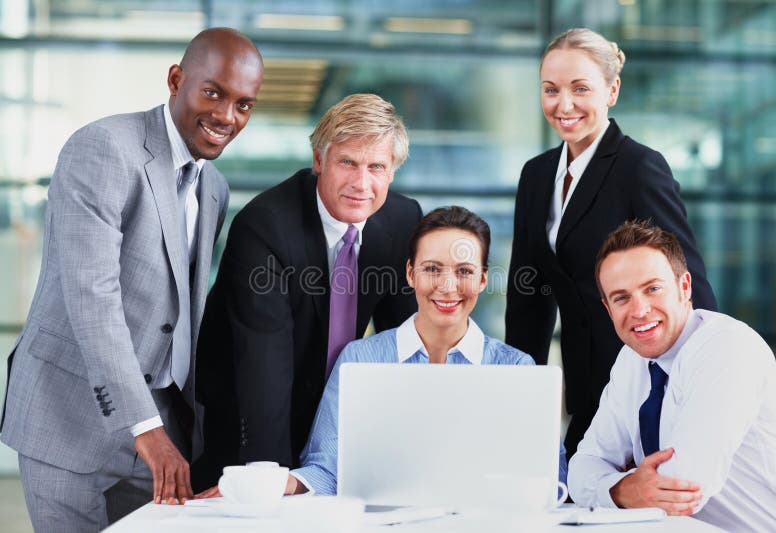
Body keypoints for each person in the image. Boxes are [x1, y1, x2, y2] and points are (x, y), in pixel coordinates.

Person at [0, 28, 264, 530]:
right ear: (175, 80)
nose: (227, 117)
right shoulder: (103, 148)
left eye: (244, 105)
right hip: (71, 418)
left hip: (164, 429)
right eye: (214, 92)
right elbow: (91, 295)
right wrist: (146, 427)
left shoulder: (214, 188)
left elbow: (179, 309)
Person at [192, 93, 422, 492]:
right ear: (319, 161)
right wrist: (268, 480)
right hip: (248, 417)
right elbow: (264, 368)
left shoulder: (403, 221)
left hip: (340, 423)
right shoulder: (264, 228)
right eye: (347, 162)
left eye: (376, 167)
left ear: (392, 172)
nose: (360, 183)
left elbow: (404, 343)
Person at [505, 27, 717, 459]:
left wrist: (707, 385)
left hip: (644, 387)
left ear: (612, 90)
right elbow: (529, 294)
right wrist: (518, 396)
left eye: (580, 88)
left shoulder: (639, 168)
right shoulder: (536, 175)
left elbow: (686, 280)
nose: (564, 105)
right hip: (582, 391)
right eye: (551, 90)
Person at [286, 206, 567, 495]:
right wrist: (276, 485)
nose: (447, 286)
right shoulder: (361, 360)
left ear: (482, 280)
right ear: (410, 274)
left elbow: (551, 478)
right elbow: (326, 470)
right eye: (432, 269)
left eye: (464, 272)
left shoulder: (517, 370)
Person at [569, 220, 776, 531]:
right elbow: (581, 470)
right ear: (608, 309)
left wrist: (612, 485)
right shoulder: (631, 360)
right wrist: (622, 489)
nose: (639, 310)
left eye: (652, 289)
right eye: (621, 297)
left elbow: (683, 488)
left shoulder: (728, 348)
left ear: (685, 287)